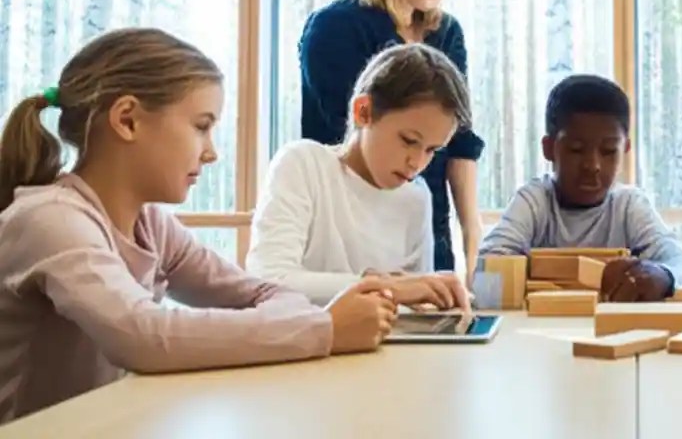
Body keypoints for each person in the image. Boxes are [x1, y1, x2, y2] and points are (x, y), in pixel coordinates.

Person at [0, 28, 395, 424]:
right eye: (201, 126)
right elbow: (143, 335)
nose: (211, 152)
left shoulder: (151, 226)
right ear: (127, 120)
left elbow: (263, 292)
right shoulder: (51, 220)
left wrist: (306, 323)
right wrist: (322, 329)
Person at [300, 0, 484, 281]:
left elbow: (460, 141)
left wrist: (472, 234)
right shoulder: (334, 27)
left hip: (424, 221)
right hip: (346, 227)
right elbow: (349, 135)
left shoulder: (447, 34)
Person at [248, 44, 471, 310]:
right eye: (409, 140)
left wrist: (436, 296)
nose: (418, 163)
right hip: (306, 347)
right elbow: (268, 280)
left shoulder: (415, 197)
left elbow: (413, 306)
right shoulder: (303, 165)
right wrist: (385, 286)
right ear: (363, 111)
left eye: (432, 150)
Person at [479, 75, 682, 301]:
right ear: (549, 148)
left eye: (609, 151)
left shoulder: (629, 206)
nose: (592, 165)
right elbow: (489, 266)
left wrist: (663, 275)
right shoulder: (535, 202)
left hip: (613, 332)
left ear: (626, 149)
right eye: (576, 149)